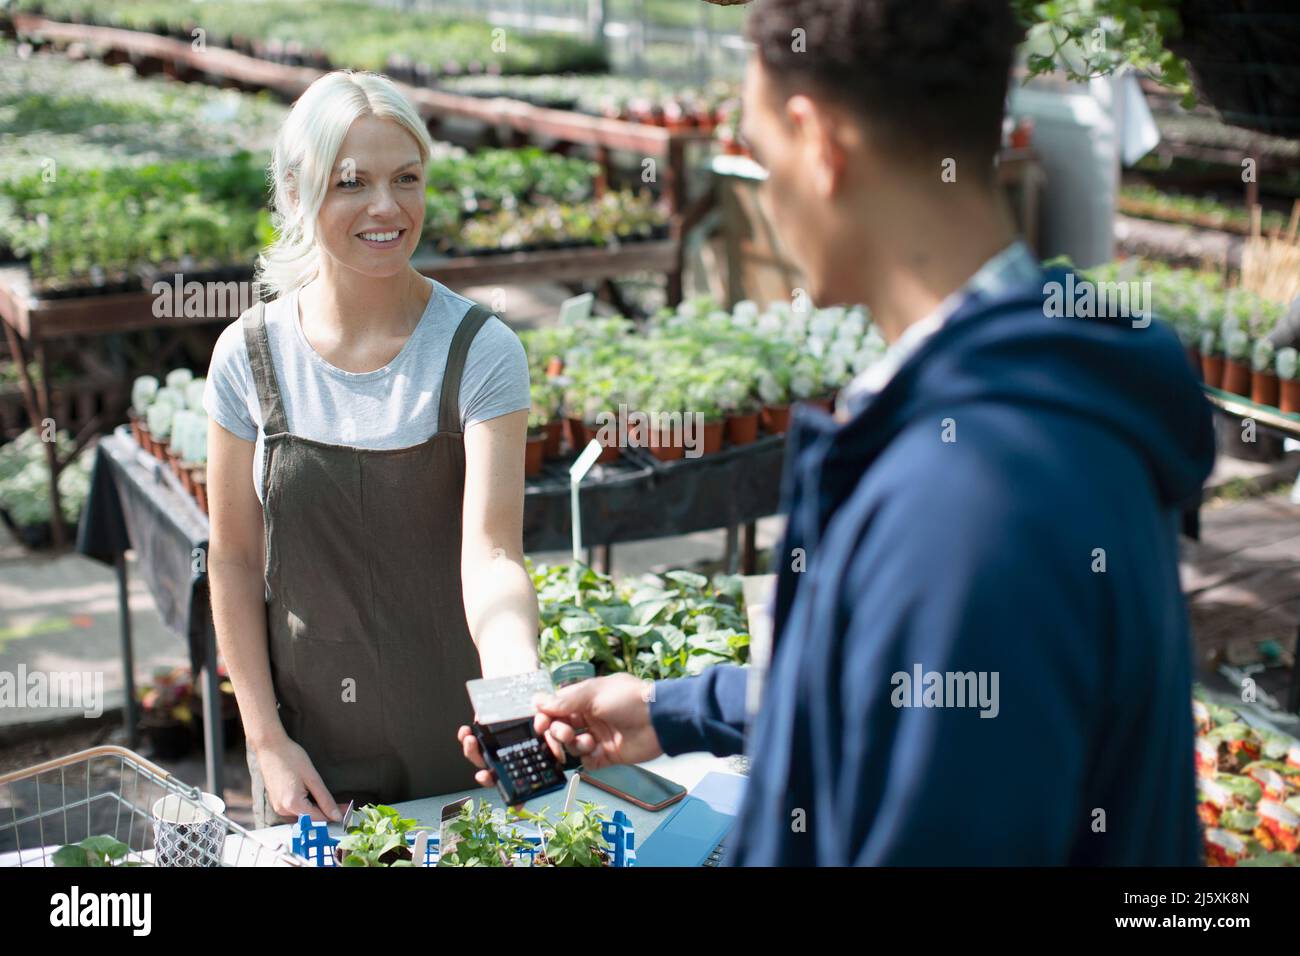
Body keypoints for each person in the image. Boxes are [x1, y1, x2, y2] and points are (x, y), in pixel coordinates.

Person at [461, 0, 1215, 864]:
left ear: (817, 146)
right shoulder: (1056, 391)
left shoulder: (964, 502)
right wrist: (679, 710)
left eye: (756, 151)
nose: (760, 188)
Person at [206, 71, 540, 829]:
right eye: (350, 181)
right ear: (297, 193)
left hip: (458, 739)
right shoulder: (248, 357)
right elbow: (230, 558)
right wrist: (265, 742)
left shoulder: (480, 351)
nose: (386, 207)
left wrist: (517, 694)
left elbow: (493, 557)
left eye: (407, 178)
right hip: (313, 756)